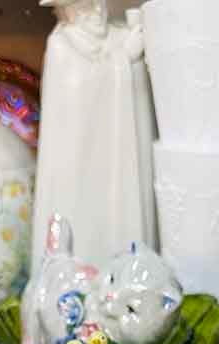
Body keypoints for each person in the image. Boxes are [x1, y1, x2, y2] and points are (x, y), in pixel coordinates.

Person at [32, 0, 157, 270]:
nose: (97, 13)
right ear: (67, 12)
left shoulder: (118, 36)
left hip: (115, 158)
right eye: (87, 7)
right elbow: (78, 92)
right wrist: (125, 59)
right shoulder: (61, 45)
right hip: (79, 166)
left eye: (99, 4)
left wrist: (132, 57)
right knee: (81, 222)